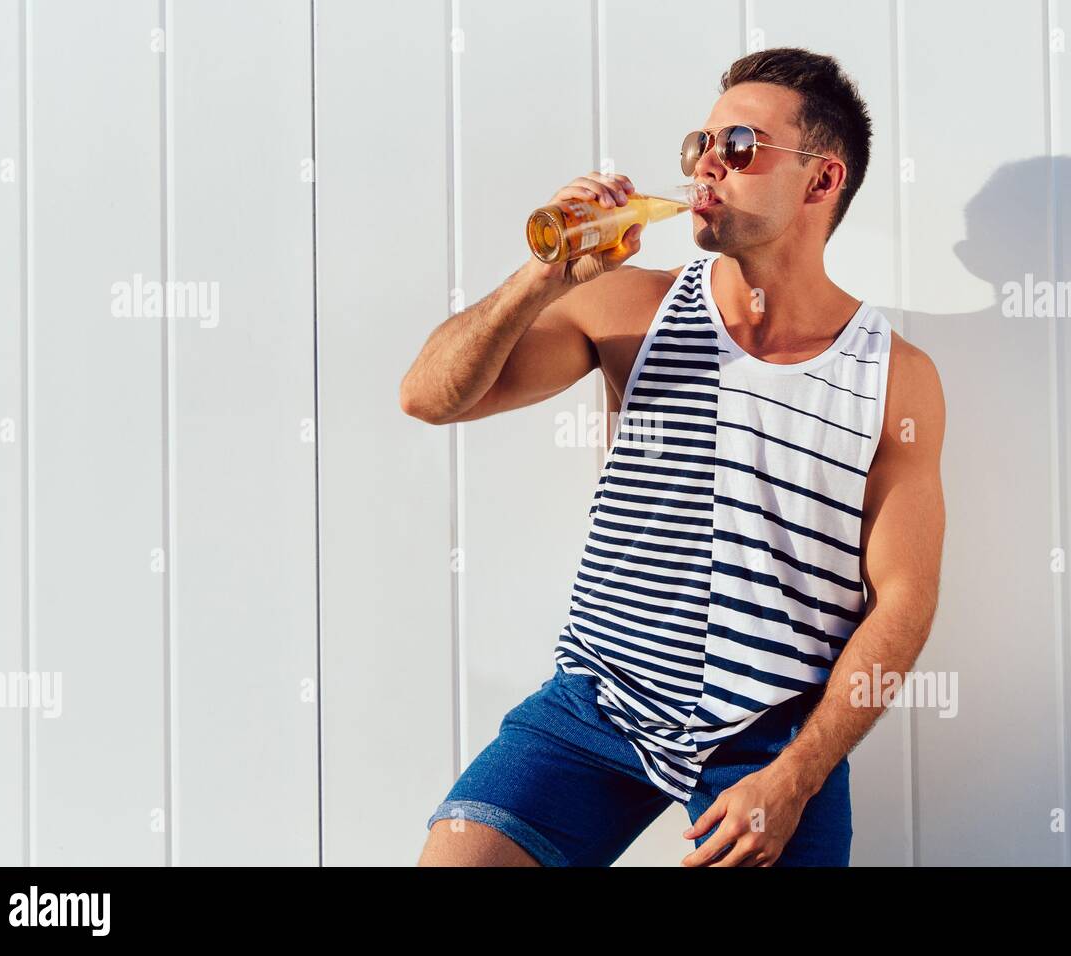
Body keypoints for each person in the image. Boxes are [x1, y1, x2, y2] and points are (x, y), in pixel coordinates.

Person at [402, 46, 945, 867]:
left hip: (773, 731)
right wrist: (542, 279)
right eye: (701, 145)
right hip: (599, 703)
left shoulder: (894, 376)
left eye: (739, 148)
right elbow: (429, 397)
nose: (705, 168)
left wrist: (795, 776)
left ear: (820, 181)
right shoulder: (630, 306)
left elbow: (901, 603)